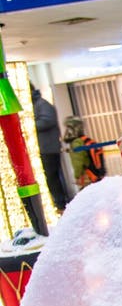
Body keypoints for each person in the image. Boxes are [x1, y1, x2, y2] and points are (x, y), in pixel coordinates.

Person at [30, 84, 68, 212]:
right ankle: (59, 203)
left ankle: (61, 203)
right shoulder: (36, 105)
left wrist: (29, 124)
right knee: (50, 177)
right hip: (44, 148)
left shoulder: (42, 104)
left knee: (53, 177)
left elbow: (47, 121)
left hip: (49, 148)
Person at [63, 116, 104, 190]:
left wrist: (77, 176)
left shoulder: (76, 143)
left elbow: (78, 162)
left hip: (86, 177)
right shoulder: (86, 140)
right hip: (94, 175)